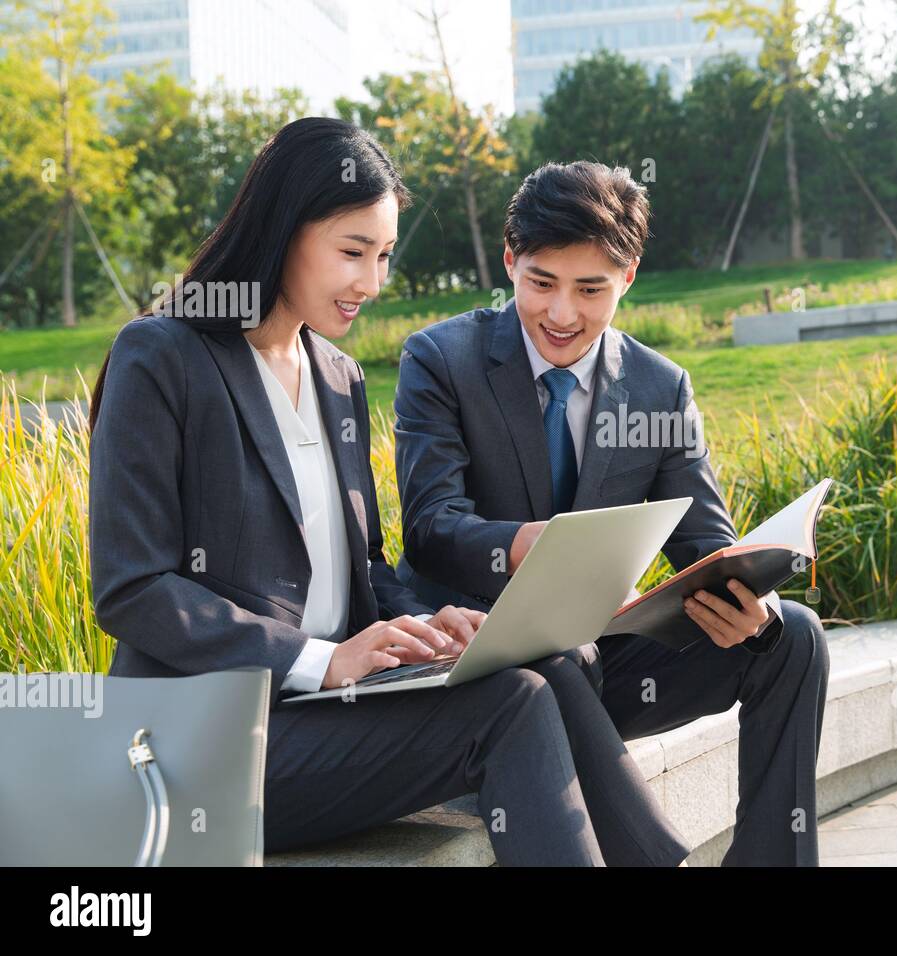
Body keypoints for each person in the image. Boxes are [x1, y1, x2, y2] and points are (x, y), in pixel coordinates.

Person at [86, 118, 689, 866]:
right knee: (514, 707)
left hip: (320, 721)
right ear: (285, 230)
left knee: (531, 671)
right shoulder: (164, 354)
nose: (371, 282)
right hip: (189, 746)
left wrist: (433, 627)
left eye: (383, 256)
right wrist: (318, 660)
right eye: (352, 252)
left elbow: (368, 570)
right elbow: (132, 587)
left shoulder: (339, 377)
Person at [393, 160, 831, 866]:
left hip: (607, 660)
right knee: (553, 651)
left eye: (591, 290)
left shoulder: (659, 387)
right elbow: (430, 526)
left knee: (792, 637)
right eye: (541, 283)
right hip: (491, 665)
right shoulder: (442, 360)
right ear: (510, 261)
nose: (562, 315)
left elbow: (705, 541)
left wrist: (748, 595)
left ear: (627, 278)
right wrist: (528, 547)